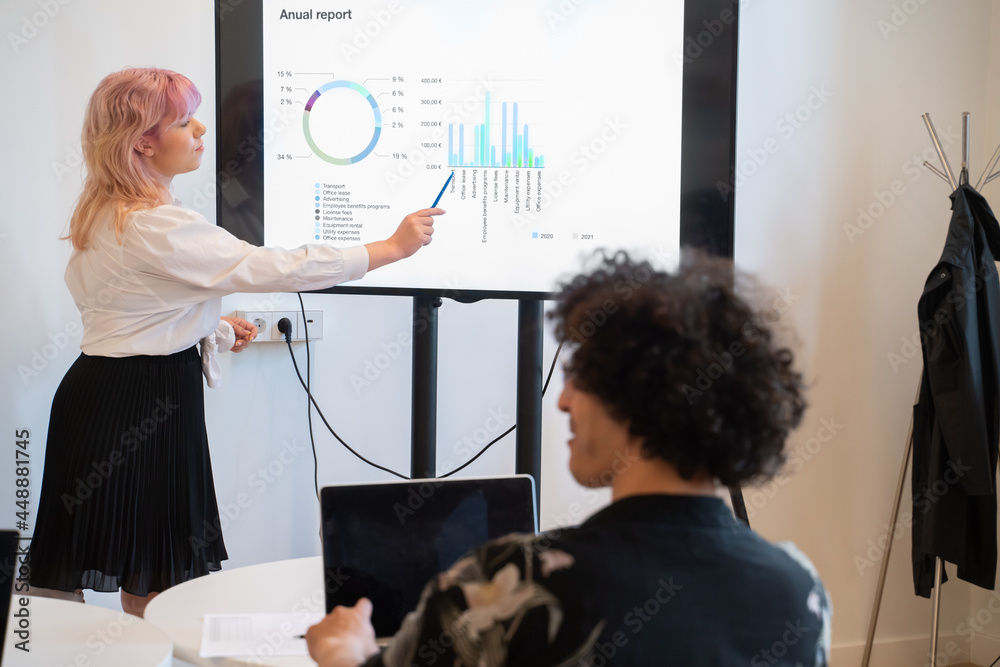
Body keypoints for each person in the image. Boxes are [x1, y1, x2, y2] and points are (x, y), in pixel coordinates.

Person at [26, 67, 444, 617]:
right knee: (156, 582)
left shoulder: (106, 212)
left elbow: (131, 312)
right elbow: (271, 267)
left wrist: (213, 328)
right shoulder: (156, 226)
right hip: (140, 405)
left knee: (97, 574)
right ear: (142, 142)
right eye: (183, 122)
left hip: (103, 395)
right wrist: (387, 248)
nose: (201, 129)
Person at [305, 251, 831, 667]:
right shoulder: (798, 589)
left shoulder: (513, 583)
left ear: (635, 397)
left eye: (579, 377)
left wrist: (345, 653)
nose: (562, 401)